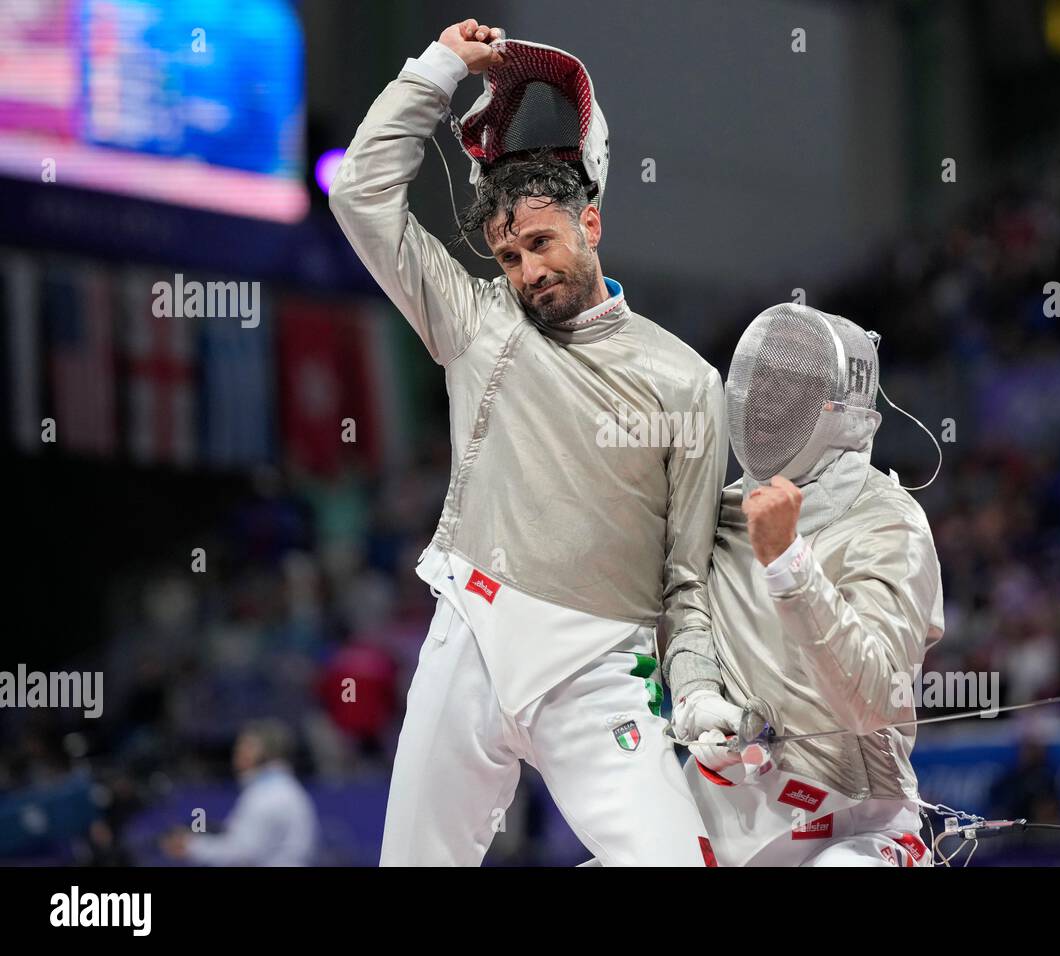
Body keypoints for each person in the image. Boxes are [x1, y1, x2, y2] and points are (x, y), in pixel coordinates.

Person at [330, 18, 725, 866]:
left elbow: (687, 577)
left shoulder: (685, 380)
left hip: (603, 668)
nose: (527, 271)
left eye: (541, 243)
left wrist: (695, 690)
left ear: (592, 224)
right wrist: (435, 70)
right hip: (471, 632)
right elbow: (358, 194)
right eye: (508, 255)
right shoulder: (476, 320)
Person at [664, 303, 945, 866]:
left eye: (788, 392)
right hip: (721, 809)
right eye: (757, 388)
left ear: (837, 412)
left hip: (853, 823)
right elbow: (682, 601)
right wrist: (696, 693)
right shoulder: (720, 512)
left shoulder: (890, 522)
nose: (763, 407)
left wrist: (789, 562)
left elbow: (873, 700)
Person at [162, 719, 318, 866]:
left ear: (268, 752)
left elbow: (241, 852)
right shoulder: (282, 788)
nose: (237, 753)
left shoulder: (267, 794)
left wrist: (191, 846)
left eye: (246, 746)